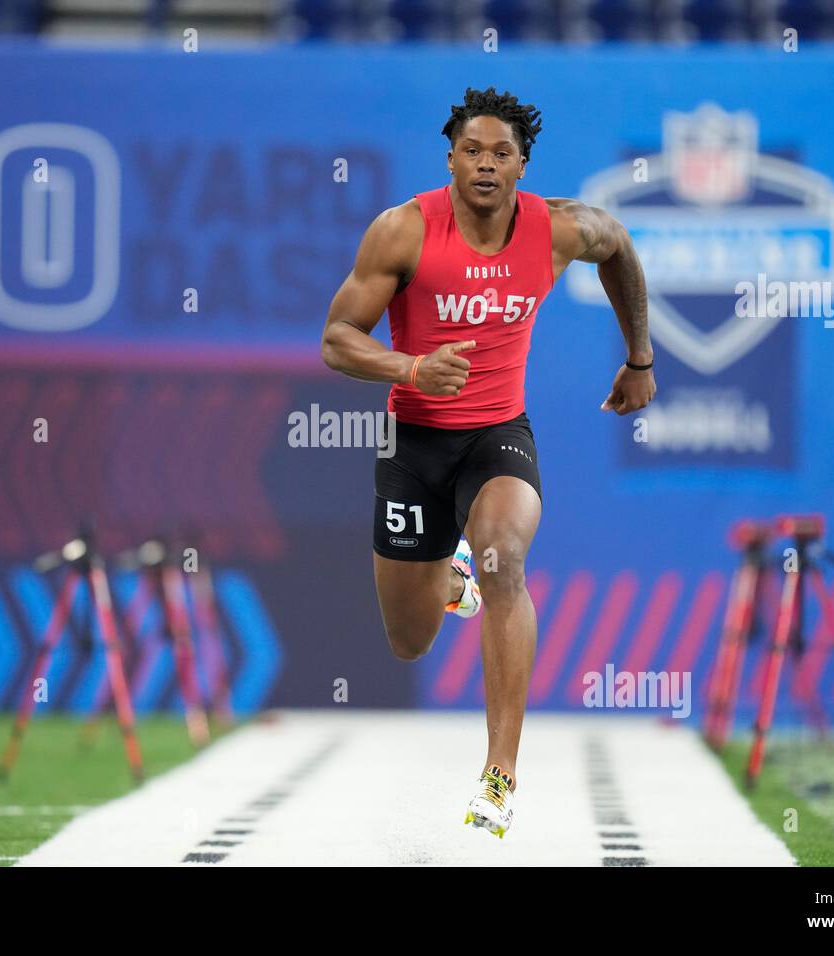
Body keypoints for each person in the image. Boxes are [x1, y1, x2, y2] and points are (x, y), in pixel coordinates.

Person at [320, 87, 654, 837]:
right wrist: (408, 368)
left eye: (501, 153)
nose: (485, 164)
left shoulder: (560, 228)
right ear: (450, 160)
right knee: (409, 639)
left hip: (498, 435)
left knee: (504, 553)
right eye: (472, 150)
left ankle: (498, 776)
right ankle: (449, 578)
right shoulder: (402, 232)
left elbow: (621, 248)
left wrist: (639, 357)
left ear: (521, 165)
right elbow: (337, 336)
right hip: (412, 442)